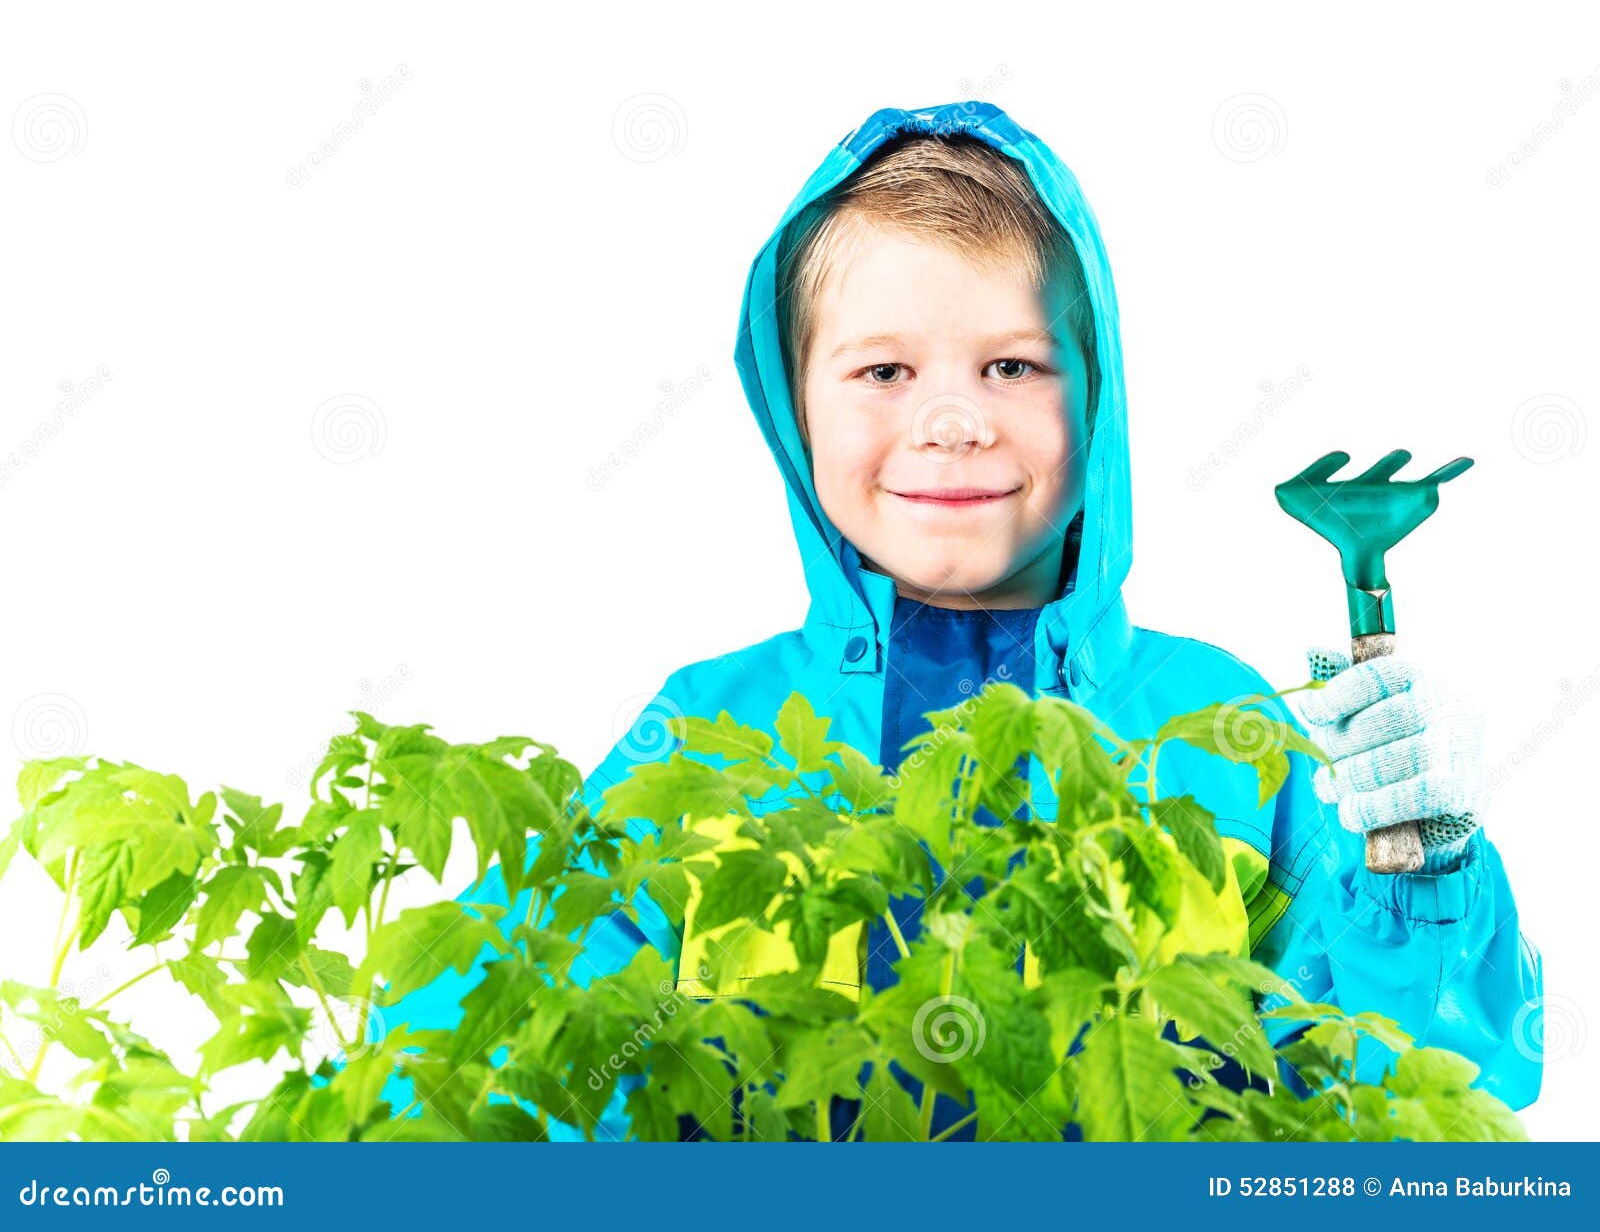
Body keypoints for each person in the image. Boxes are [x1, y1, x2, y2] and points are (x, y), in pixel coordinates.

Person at [383, 101, 1543, 1139]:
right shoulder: (700, 739)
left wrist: (1417, 866)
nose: (950, 421)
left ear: (1101, 400)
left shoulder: (1218, 728)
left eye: (1011, 366)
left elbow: (1410, 1100)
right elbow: (508, 1054)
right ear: (794, 409)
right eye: (883, 372)